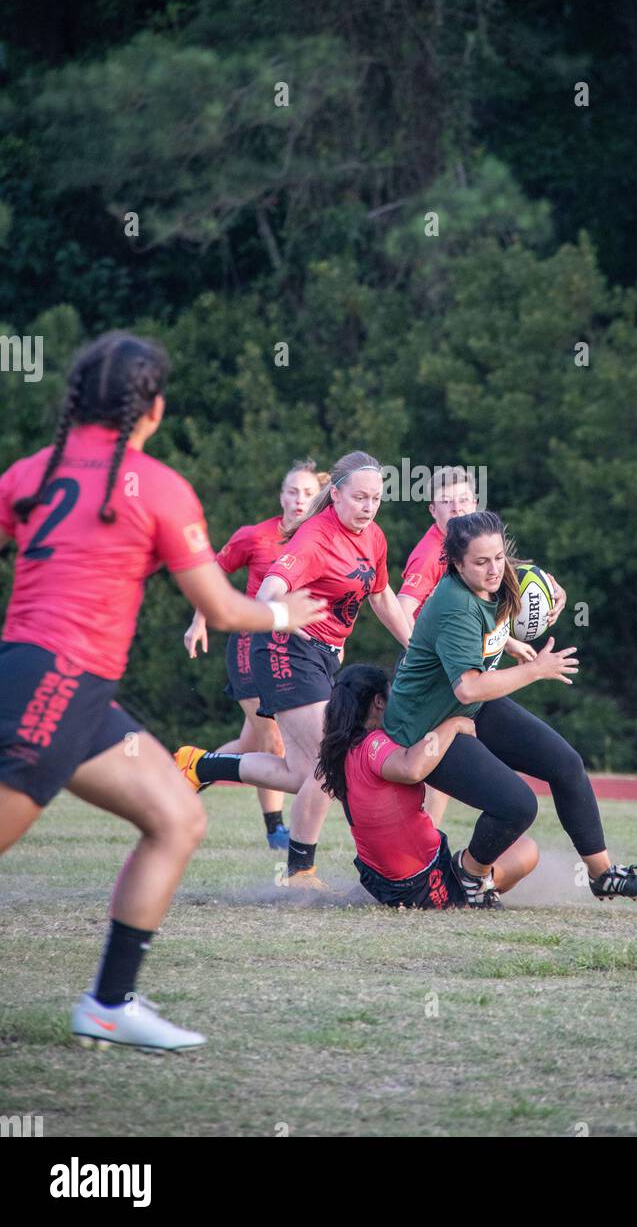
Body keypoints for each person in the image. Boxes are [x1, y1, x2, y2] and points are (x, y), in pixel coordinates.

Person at [0, 333, 326, 1052]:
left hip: (63, 685)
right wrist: (285, 613)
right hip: (57, 684)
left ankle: (110, 1004)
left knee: (178, 818)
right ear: (150, 408)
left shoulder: (27, 471)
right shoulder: (160, 487)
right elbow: (222, 609)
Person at [383, 510, 637, 904]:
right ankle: (470, 875)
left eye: (498, 556)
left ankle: (603, 875)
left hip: (470, 710)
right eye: (481, 562)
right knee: (516, 805)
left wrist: (554, 592)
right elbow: (468, 689)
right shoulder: (455, 605)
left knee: (566, 764)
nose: (495, 569)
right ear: (457, 564)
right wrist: (538, 670)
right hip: (428, 725)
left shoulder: (495, 575)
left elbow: (528, 576)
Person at [175, 451, 411, 887]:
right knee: (331, 757)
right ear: (336, 494)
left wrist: (415, 647)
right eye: (360, 497)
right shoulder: (314, 538)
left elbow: (381, 597)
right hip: (287, 648)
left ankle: (200, 766)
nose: (368, 506)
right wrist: (276, 615)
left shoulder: (374, 536)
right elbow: (269, 591)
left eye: (376, 499)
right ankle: (301, 870)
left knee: (301, 774)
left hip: (323, 655)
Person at [396, 465, 568, 829]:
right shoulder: (432, 556)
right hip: (437, 682)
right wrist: (437, 654)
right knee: (429, 771)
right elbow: (404, 610)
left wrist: (509, 637)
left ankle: (430, 845)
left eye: (464, 500)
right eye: (447, 502)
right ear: (432, 509)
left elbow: (507, 586)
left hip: (462, 674)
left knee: (440, 776)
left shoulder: (478, 547)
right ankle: (422, 852)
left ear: (476, 501)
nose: (457, 509)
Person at [182, 460, 325, 851]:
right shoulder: (255, 537)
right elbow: (210, 572)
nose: (299, 500)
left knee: (251, 743)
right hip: (252, 644)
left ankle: (189, 771)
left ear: (320, 498)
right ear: (281, 496)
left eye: (309, 493)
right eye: (293, 492)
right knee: (273, 738)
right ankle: (276, 828)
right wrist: (201, 621)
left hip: (294, 652)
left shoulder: (323, 538)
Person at [315, 664, 538, 908]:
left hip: (381, 880)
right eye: (392, 697)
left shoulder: (344, 749)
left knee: (492, 856)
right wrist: (453, 724)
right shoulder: (373, 744)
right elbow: (412, 769)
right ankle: (475, 886)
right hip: (423, 885)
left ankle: (478, 880)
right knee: (528, 850)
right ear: (379, 701)